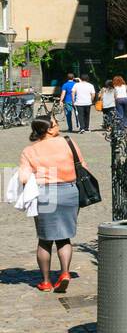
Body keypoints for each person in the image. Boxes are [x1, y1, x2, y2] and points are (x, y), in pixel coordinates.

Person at [21, 114, 84, 293]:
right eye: (56, 124)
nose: (58, 127)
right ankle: (64, 273)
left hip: (46, 193)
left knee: (45, 239)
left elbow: (24, 178)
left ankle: (46, 281)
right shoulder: (68, 142)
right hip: (69, 191)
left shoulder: (30, 151)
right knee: (64, 237)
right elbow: (83, 165)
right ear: (48, 129)